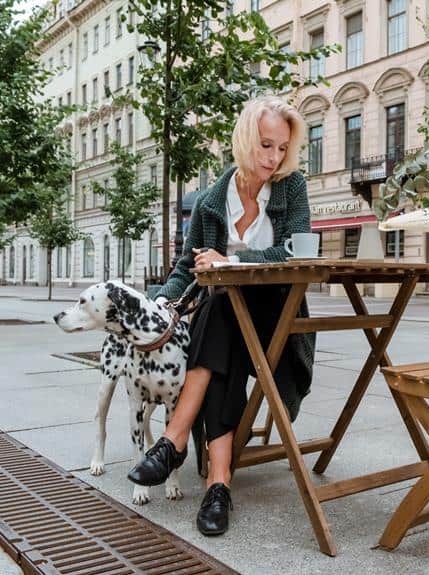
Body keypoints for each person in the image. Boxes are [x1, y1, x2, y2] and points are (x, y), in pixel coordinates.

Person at [127, 96, 315, 536]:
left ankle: (173, 439)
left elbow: (294, 252)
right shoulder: (214, 200)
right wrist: (159, 305)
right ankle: (218, 484)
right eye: (266, 145)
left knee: (220, 305)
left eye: (282, 147)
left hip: (279, 328)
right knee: (221, 316)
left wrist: (232, 264)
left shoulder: (293, 187)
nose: (275, 157)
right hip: (228, 327)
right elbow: (184, 269)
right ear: (245, 140)